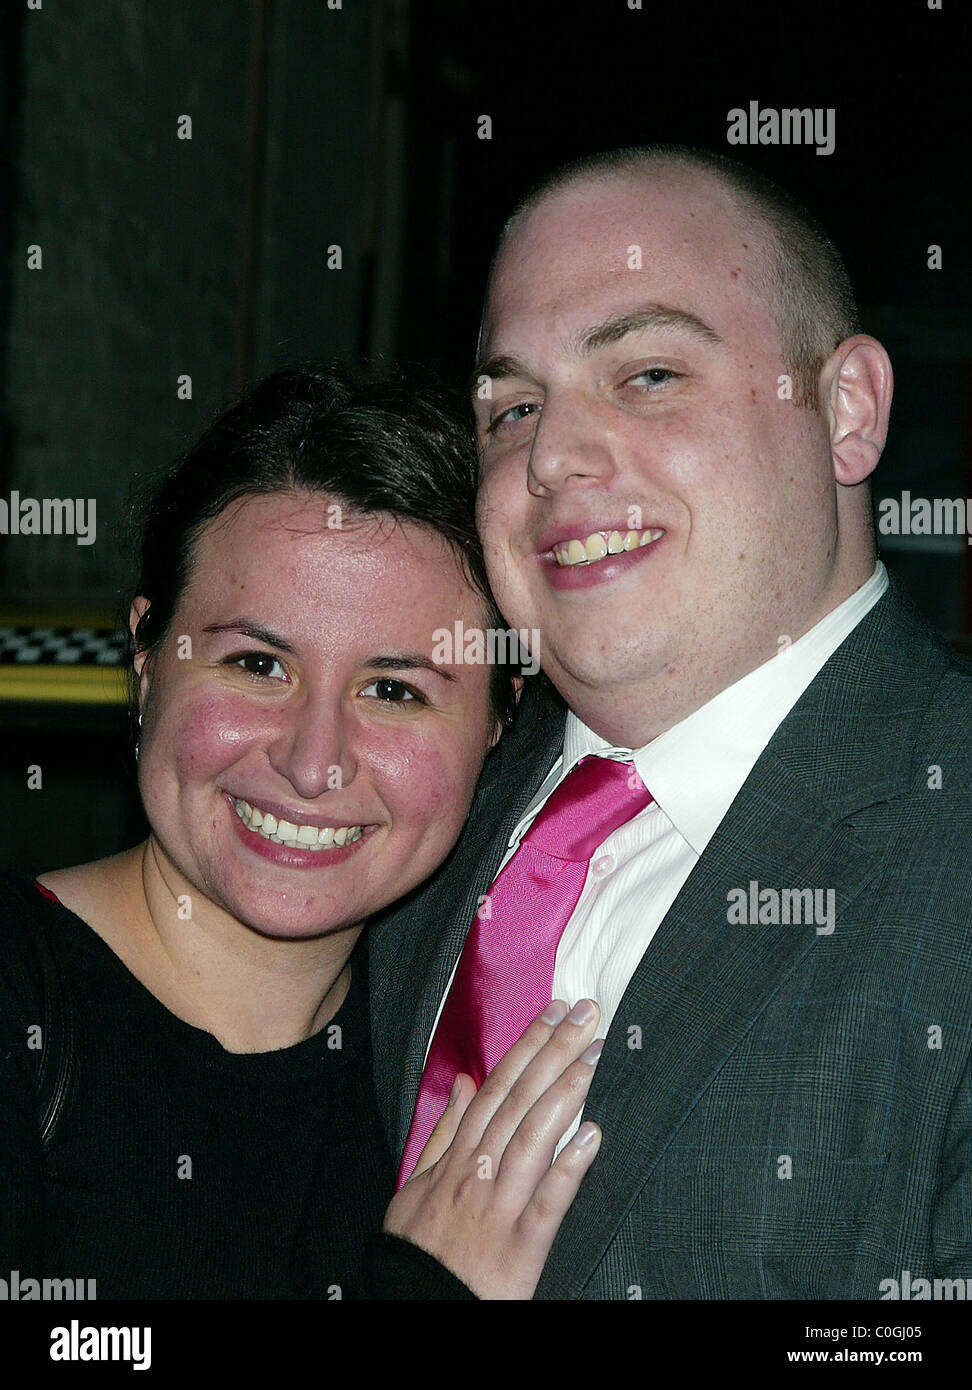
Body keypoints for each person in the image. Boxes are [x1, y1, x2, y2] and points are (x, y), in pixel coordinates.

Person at [369, 146, 972, 1299]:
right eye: (514, 406)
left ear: (848, 411)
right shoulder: (399, 811)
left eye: (647, 374)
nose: (552, 457)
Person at [0, 364, 605, 1301]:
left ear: (497, 718)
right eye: (256, 663)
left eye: (393, 689)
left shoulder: (457, 1062)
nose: (313, 761)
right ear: (147, 659)